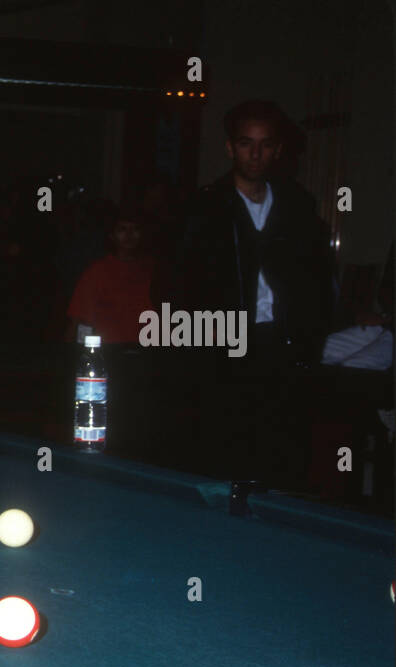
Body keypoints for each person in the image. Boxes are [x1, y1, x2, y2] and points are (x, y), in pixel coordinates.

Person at [177, 99, 334, 487]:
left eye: (265, 144)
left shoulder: (298, 206)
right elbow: (176, 283)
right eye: (246, 143)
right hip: (223, 344)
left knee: (281, 452)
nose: (255, 153)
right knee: (224, 450)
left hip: (281, 344)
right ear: (231, 147)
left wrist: (308, 338)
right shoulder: (205, 206)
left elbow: (317, 279)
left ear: (278, 150)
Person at [64, 203, 156, 346]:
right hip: (107, 354)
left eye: (135, 229)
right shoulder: (96, 272)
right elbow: (78, 321)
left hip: (144, 354)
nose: (129, 235)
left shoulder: (152, 271)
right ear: (112, 235)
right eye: (122, 229)